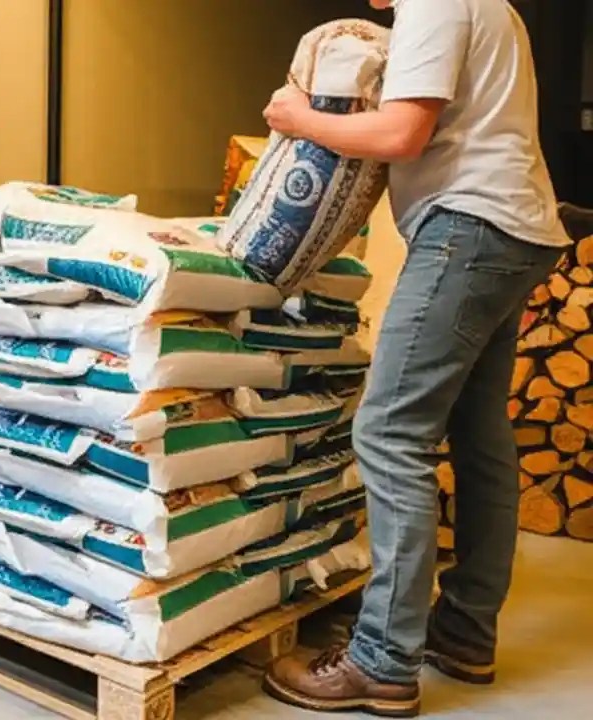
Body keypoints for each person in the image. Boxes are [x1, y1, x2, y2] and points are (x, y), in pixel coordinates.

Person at [258, 0, 571, 716]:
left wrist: (298, 118)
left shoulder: (436, 2)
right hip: (515, 225)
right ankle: (463, 631)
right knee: (479, 430)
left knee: (388, 432)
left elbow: (402, 132)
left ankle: (381, 662)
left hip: (469, 227)